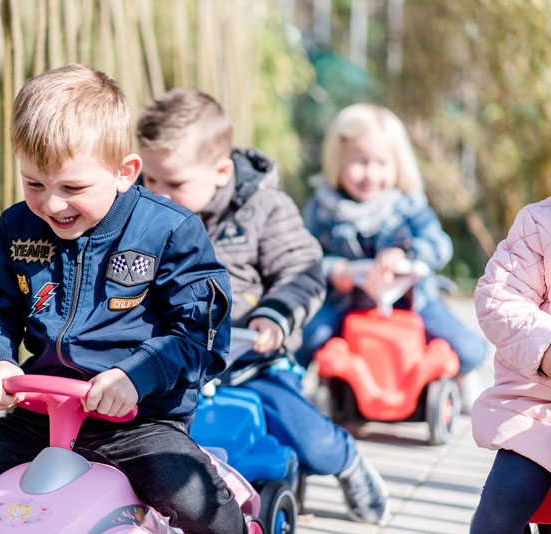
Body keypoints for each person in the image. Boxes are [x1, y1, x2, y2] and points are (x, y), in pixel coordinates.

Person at [0, 64, 252, 534]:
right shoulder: (18, 228)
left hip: (139, 422)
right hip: (41, 416)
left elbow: (200, 333)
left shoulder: (171, 230)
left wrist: (137, 375)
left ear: (125, 173)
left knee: (201, 508)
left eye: (72, 187)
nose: (52, 204)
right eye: (34, 184)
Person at [137, 87, 390, 524]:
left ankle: (347, 460)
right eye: (150, 181)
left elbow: (303, 270)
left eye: (174, 184)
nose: (159, 195)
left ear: (220, 171)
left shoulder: (264, 210)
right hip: (172, 368)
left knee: (310, 440)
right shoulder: (143, 217)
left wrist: (271, 316)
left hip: (251, 361)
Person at [295, 103, 488, 407]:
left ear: (398, 165)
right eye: (360, 162)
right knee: (306, 339)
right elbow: (304, 253)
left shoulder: (408, 206)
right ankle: (294, 390)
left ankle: (459, 378)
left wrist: (405, 253)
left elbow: (439, 244)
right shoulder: (324, 208)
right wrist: (337, 269)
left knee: (468, 349)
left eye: (381, 163)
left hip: (410, 301)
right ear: (338, 160)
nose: (371, 174)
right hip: (346, 302)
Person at [469, 196, 551, 533]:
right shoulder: (539, 222)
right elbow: (500, 298)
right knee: (497, 516)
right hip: (538, 410)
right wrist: (546, 350)